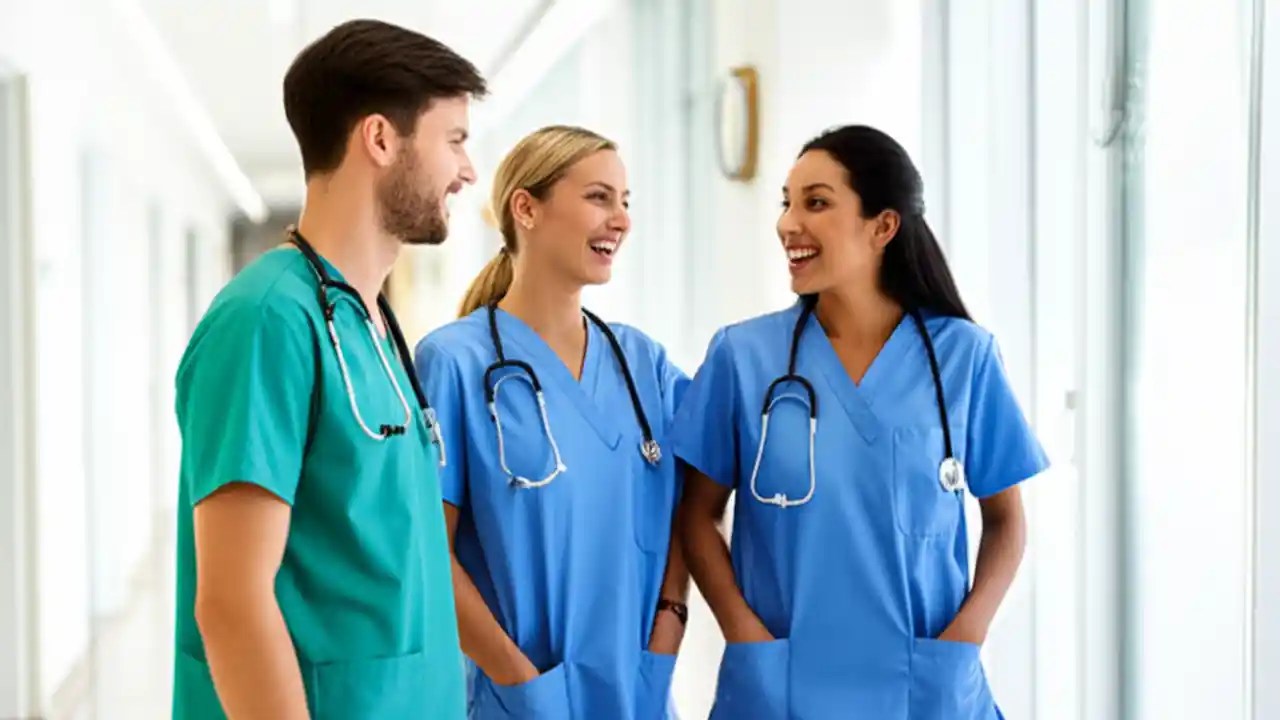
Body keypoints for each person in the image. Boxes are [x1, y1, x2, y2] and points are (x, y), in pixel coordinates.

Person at [672, 124, 1048, 719]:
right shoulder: (743, 357)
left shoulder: (963, 357)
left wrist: (965, 639)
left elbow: (1006, 519)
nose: (788, 223)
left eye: (816, 202)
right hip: (783, 686)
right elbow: (696, 514)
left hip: (922, 686)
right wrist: (744, 635)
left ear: (883, 226)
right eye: (787, 203)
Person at [171, 19, 486, 720]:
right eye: (455, 140)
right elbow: (230, 602)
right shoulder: (267, 320)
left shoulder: (370, 323)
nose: (468, 171)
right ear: (380, 138)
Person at [413, 125, 690, 720]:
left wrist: (667, 628)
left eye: (625, 201)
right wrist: (523, 686)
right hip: (522, 701)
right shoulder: (455, 362)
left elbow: (695, 501)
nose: (620, 219)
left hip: (639, 695)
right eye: (598, 197)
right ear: (526, 208)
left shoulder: (644, 363)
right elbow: (429, 554)